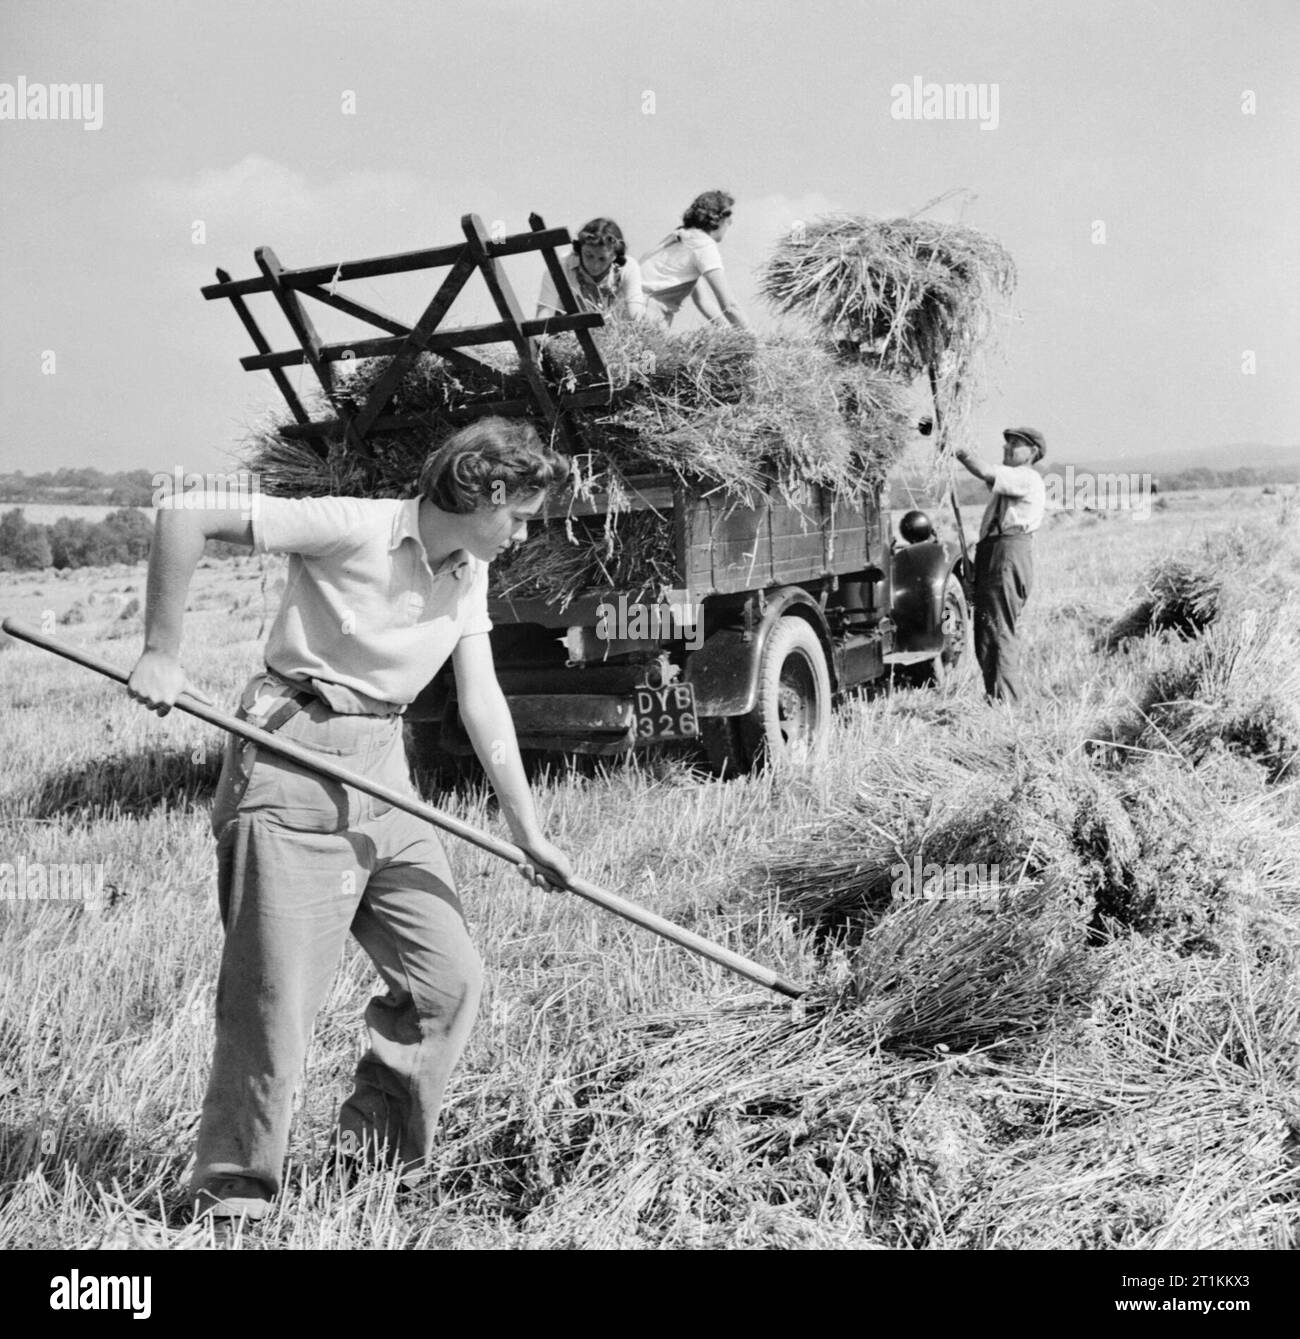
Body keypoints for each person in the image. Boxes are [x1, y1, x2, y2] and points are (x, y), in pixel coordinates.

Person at [127, 416, 575, 1228]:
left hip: (384, 772)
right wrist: (162, 648)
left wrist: (528, 831)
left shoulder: (465, 573)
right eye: (519, 515)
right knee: (275, 1000)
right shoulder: (355, 525)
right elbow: (184, 513)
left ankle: (375, 1162)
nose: (521, 533)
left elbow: (481, 702)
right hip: (295, 756)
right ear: (488, 491)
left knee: (448, 980)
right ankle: (235, 1194)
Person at [953, 427, 1047, 705]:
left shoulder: (1026, 477)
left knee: (999, 630)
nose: (1007, 448)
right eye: (1006, 444)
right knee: (986, 631)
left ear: (1033, 453)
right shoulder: (1014, 480)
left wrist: (957, 449)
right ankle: (995, 697)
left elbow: (984, 471)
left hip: (1007, 554)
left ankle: (1008, 703)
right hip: (995, 552)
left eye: (1015, 445)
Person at [639, 189, 751, 329]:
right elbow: (729, 306)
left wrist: (729, 332)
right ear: (719, 220)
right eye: (729, 218)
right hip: (645, 315)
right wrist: (754, 341)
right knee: (654, 351)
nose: (731, 223)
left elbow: (703, 302)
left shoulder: (684, 237)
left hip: (627, 307)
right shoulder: (703, 245)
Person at [536, 217, 645, 321]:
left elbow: (635, 315)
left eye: (602, 259)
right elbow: (544, 316)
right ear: (580, 248)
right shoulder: (560, 267)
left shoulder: (628, 268)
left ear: (614, 256)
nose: (595, 265)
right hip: (569, 334)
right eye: (589, 255)